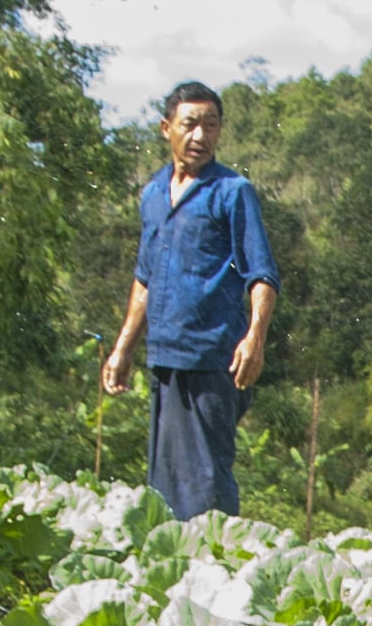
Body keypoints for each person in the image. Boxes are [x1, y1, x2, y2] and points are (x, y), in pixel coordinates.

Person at [100, 80, 278, 518]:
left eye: (211, 126)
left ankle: (217, 567)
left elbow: (262, 275)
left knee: (207, 479)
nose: (200, 136)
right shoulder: (153, 194)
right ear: (166, 128)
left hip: (214, 355)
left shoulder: (232, 192)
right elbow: (144, 280)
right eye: (190, 124)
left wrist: (254, 337)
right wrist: (123, 348)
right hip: (165, 355)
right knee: (166, 481)